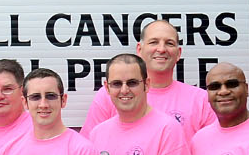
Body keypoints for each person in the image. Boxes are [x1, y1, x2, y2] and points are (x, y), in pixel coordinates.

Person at [82, 19, 216, 138]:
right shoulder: (111, 95)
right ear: (139, 49)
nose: (161, 49)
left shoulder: (201, 100)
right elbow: (89, 150)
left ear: (178, 53)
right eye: (154, 42)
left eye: (169, 43)